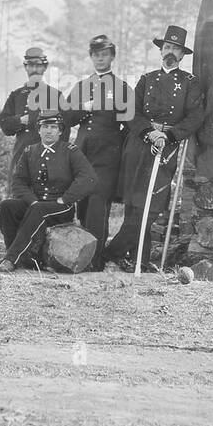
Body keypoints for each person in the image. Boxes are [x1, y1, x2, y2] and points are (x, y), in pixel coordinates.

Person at [102, 24, 206, 270]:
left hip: (166, 148)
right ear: (161, 51)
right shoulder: (147, 80)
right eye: (167, 47)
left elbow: (195, 117)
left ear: (182, 55)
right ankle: (140, 259)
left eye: (176, 48)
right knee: (133, 203)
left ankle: (110, 253)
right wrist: (149, 132)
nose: (171, 52)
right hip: (139, 144)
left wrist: (168, 136)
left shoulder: (190, 83)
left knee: (152, 205)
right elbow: (131, 112)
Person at [61, 34, 134, 265]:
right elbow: (67, 118)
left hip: (107, 156)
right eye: (96, 55)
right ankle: (82, 254)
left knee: (98, 203)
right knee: (82, 202)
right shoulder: (82, 86)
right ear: (91, 57)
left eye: (104, 54)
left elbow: (131, 122)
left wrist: (116, 142)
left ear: (112, 57)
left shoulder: (121, 88)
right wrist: (85, 107)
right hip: (82, 153)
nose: (100, 59)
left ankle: (95, 259)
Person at [0, 111, 98, 273]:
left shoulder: (70, 151)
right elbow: (18, 181)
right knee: (7, 206)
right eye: (45, 127)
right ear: (38, 130)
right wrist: (32, 200)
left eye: (53, 127)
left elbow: (88, 178)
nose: (48, 131)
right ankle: (13, 253)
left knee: (39, 210)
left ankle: (11, 259)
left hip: (62, 207)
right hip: (36, 204)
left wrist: (65, 199)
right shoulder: (30, 151)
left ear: (60, 131)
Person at [0, 46, 67, 182]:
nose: (34, 70)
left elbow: (65, 130)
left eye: (38, 66)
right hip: (21, 155)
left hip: (48, 158)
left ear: (45, 68)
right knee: (17, 198)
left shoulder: (55, 96)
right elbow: (4, 123)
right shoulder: (17, 95)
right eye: (30, 65)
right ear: (26, 68)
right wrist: (20, 120)